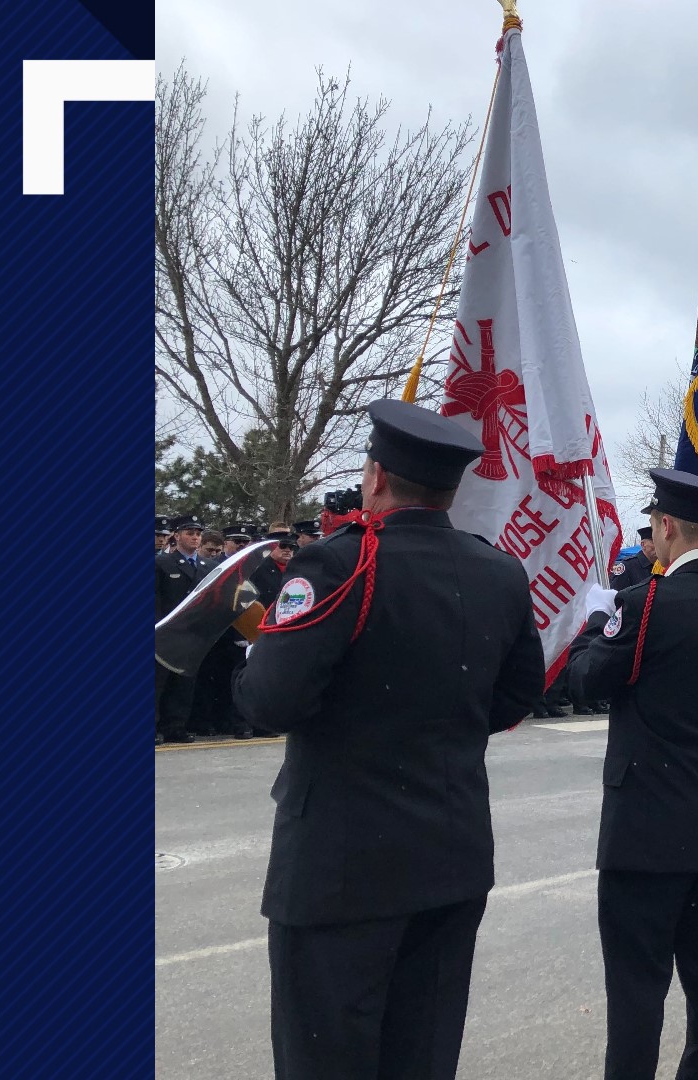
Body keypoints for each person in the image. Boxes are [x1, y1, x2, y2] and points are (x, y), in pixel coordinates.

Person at [234, 399, 544, 1080]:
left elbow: (270, 701)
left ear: (375, 478)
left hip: (340, 866)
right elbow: (521, 693)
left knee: (326, 1060)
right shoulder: (498, 573)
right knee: (421, 1057)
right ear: (452, 488)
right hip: (450, 855)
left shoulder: (335, 566)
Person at [566, 468, 698, 1080]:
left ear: (664, 527)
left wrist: (590, 628)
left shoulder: (642, 606)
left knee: (637, 990)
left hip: (644, 833)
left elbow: (585, 682)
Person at [155, 513, 209, 744]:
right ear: (176, 536)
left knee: (184, 682)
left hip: (192, 633)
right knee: (159, 682)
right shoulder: (161, 563)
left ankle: (176, 726)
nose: (195, 538)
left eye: (198, 534)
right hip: (167, 631)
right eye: (190, 533)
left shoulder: (208, 566)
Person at [608, 525, 656, 590]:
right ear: (643, 545)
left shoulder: (663, 565)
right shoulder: (628, 566)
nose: (658, 545)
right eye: (654, 542)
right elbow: (615, 594)